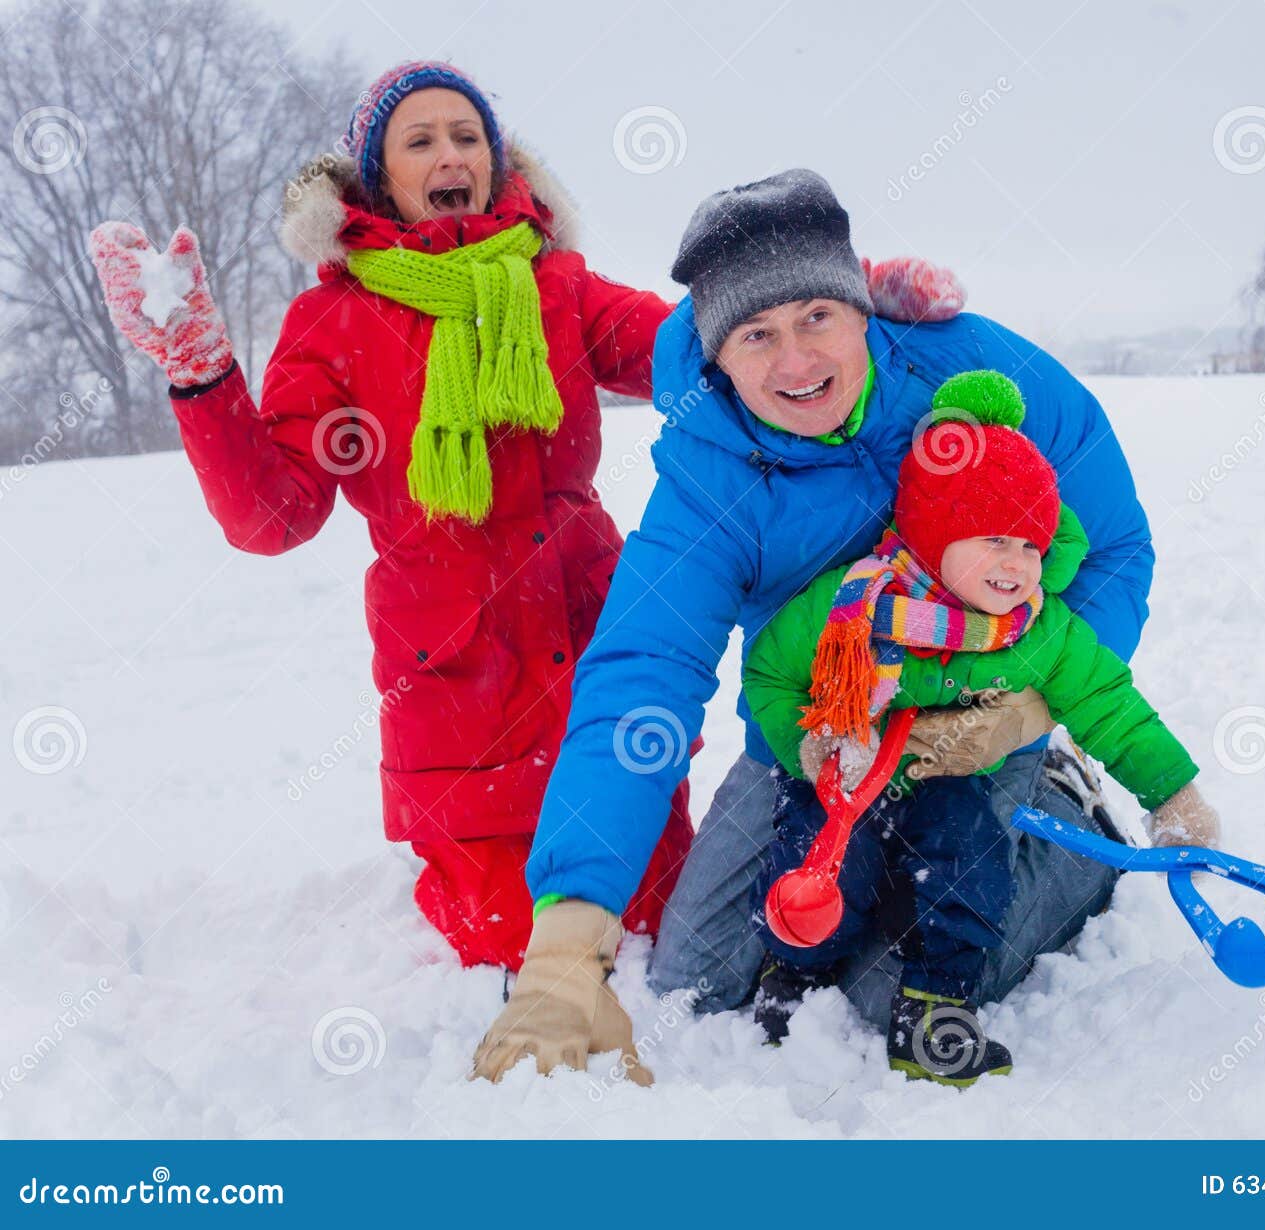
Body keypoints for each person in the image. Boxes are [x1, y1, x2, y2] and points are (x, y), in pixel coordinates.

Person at [87, 65, 952, 974]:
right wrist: (200, 372)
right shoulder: (329, 321)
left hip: (591, 646)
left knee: (657, 928)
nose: (450, 156)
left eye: (468, 136)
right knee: (511, 948)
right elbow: (273, 518)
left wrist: (836, 301)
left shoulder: (555, 286)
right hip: (455, 680)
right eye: (420, 140)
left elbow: (699, 351)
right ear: (377, 176)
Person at [474, 169, 1160, 1085]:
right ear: (719, 355)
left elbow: (1115, 545)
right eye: (756, 334)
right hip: (815, 732)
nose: (796, 361)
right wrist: (567, 944)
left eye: (816, 317)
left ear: (860, 309)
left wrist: (1030, 707)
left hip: (975, 718)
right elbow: (643, 671)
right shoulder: (709, 475)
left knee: (889, 991)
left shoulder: (975, 373)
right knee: (695, 979)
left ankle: (1070, 827)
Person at [742, 369, 1222, 1086]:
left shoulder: (1038, 629)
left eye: (1030, 545)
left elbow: (1108, 702)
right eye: (995, 538)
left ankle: (937, 1006)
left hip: (951, 778)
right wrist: (809, 747)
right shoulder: (853, 603)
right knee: (821, 858)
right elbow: (769, 672)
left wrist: (1173, 795)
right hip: (849, 767)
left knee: (968, 858)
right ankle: (794, 973)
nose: (1016, 564)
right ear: (936, 533)